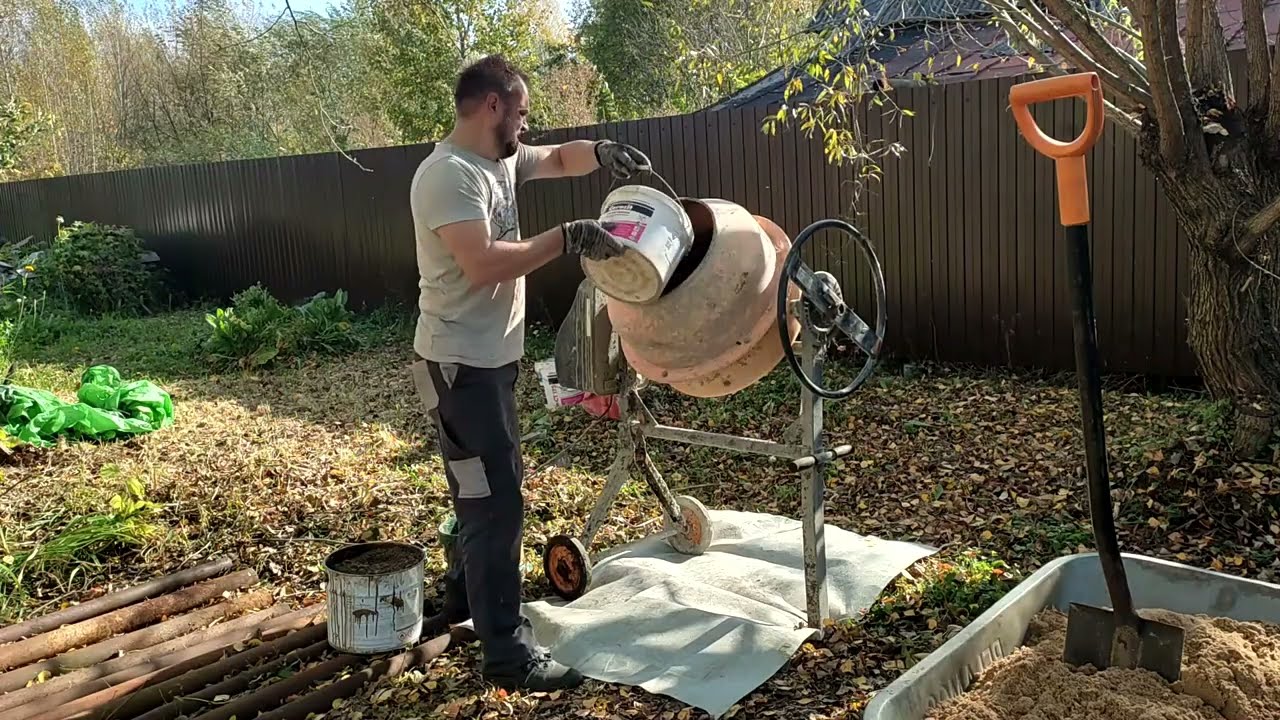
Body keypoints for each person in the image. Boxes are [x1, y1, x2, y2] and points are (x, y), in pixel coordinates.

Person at [407, 54, 650, 692]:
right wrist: (568, 237)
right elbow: (485, 263)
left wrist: (602, 152)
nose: (526, 124)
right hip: (460, 369)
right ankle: (508, 655)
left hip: (483, 365)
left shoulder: (500, 159)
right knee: (496, 504)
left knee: (482, 491)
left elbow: (559, 158)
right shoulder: (449, 176)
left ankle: (464, 601)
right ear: (492, 105)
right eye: (520, 112)